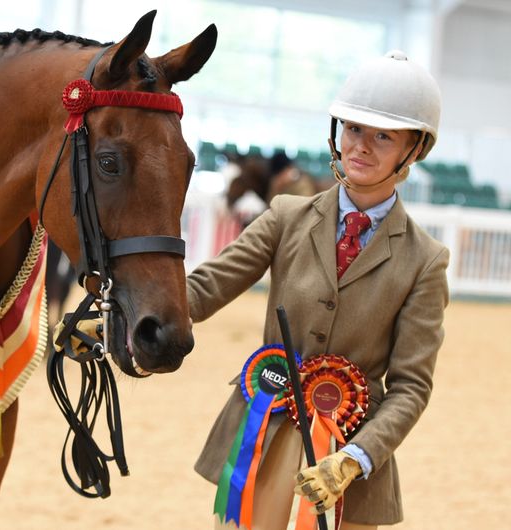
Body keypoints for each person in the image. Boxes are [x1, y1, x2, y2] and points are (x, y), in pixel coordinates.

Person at [187, 50, 449, 530]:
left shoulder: (425, 261)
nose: (361, 146)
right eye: (353, 129)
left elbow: (411, 387)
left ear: (414, 150)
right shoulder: (286, 216)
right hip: (266, 430)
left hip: (351, 452)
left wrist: (355, 458)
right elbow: (205, 288)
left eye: (383, 136)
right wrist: (122, 311)